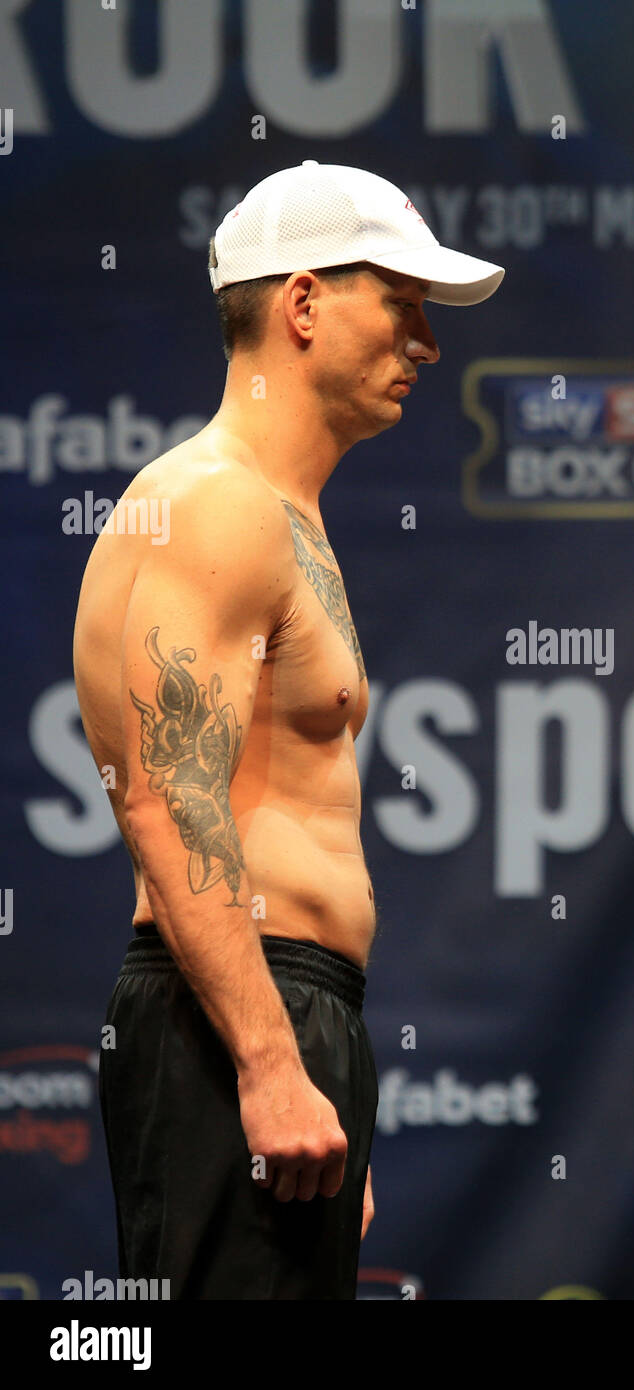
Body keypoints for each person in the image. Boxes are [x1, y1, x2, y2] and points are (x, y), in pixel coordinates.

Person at [73, 160, 503, 1299]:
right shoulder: (217, 505)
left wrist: (307, 1069)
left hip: (285, 1008)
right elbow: (169, 798)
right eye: (400, 302)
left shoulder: (277, 511)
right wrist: (267, 1061)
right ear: (303, 304)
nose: (426, 340)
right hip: (230, 1013)